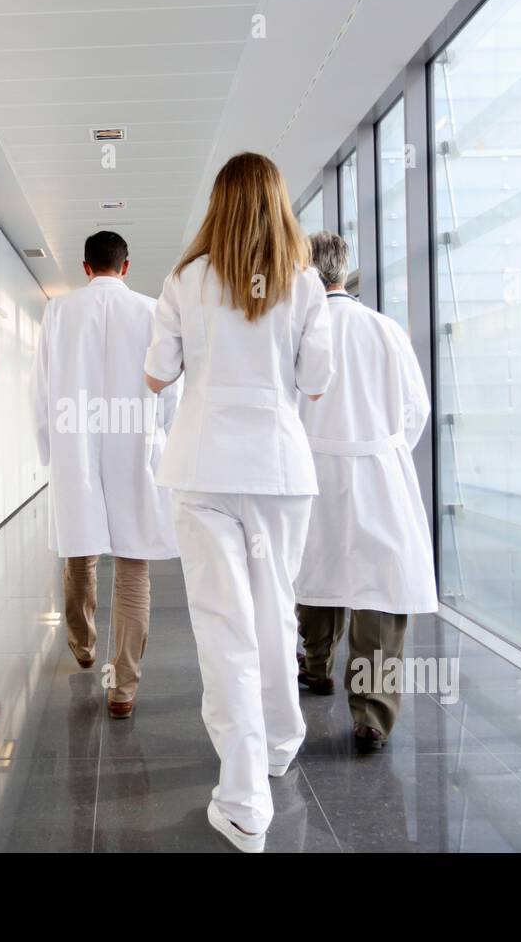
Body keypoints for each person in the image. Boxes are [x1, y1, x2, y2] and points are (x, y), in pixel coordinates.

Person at [144, 152, 333, 853]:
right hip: (281, 470)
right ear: (278, 203)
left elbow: (156, 375)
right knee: (274, 608)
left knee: (224, 625)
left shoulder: (186, 279)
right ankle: (281, 740)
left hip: (202, 468)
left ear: (219, 204)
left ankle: (245, 799)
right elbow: (316, 381)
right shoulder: (304, 283)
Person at [293, 231, 437, 752]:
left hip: (313, 470)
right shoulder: (385, 329)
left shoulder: (298, 331)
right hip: (378, 472)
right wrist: (385, 447)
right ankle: (371, 715)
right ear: (343, 270)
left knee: (315, 576)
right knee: (378, 591)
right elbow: (415, 410)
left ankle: (315, 665)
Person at [32, 231, 179, 719]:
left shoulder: (59, 311)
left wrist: (48, 447)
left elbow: (41, 386)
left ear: (86, 268)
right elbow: (170, 387)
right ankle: (124, 688)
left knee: (81, 554)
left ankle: (83, 646)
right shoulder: (153, 309)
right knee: (134, 566)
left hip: (78, 443)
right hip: (136, 444)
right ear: (127, 265)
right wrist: (163, 438)